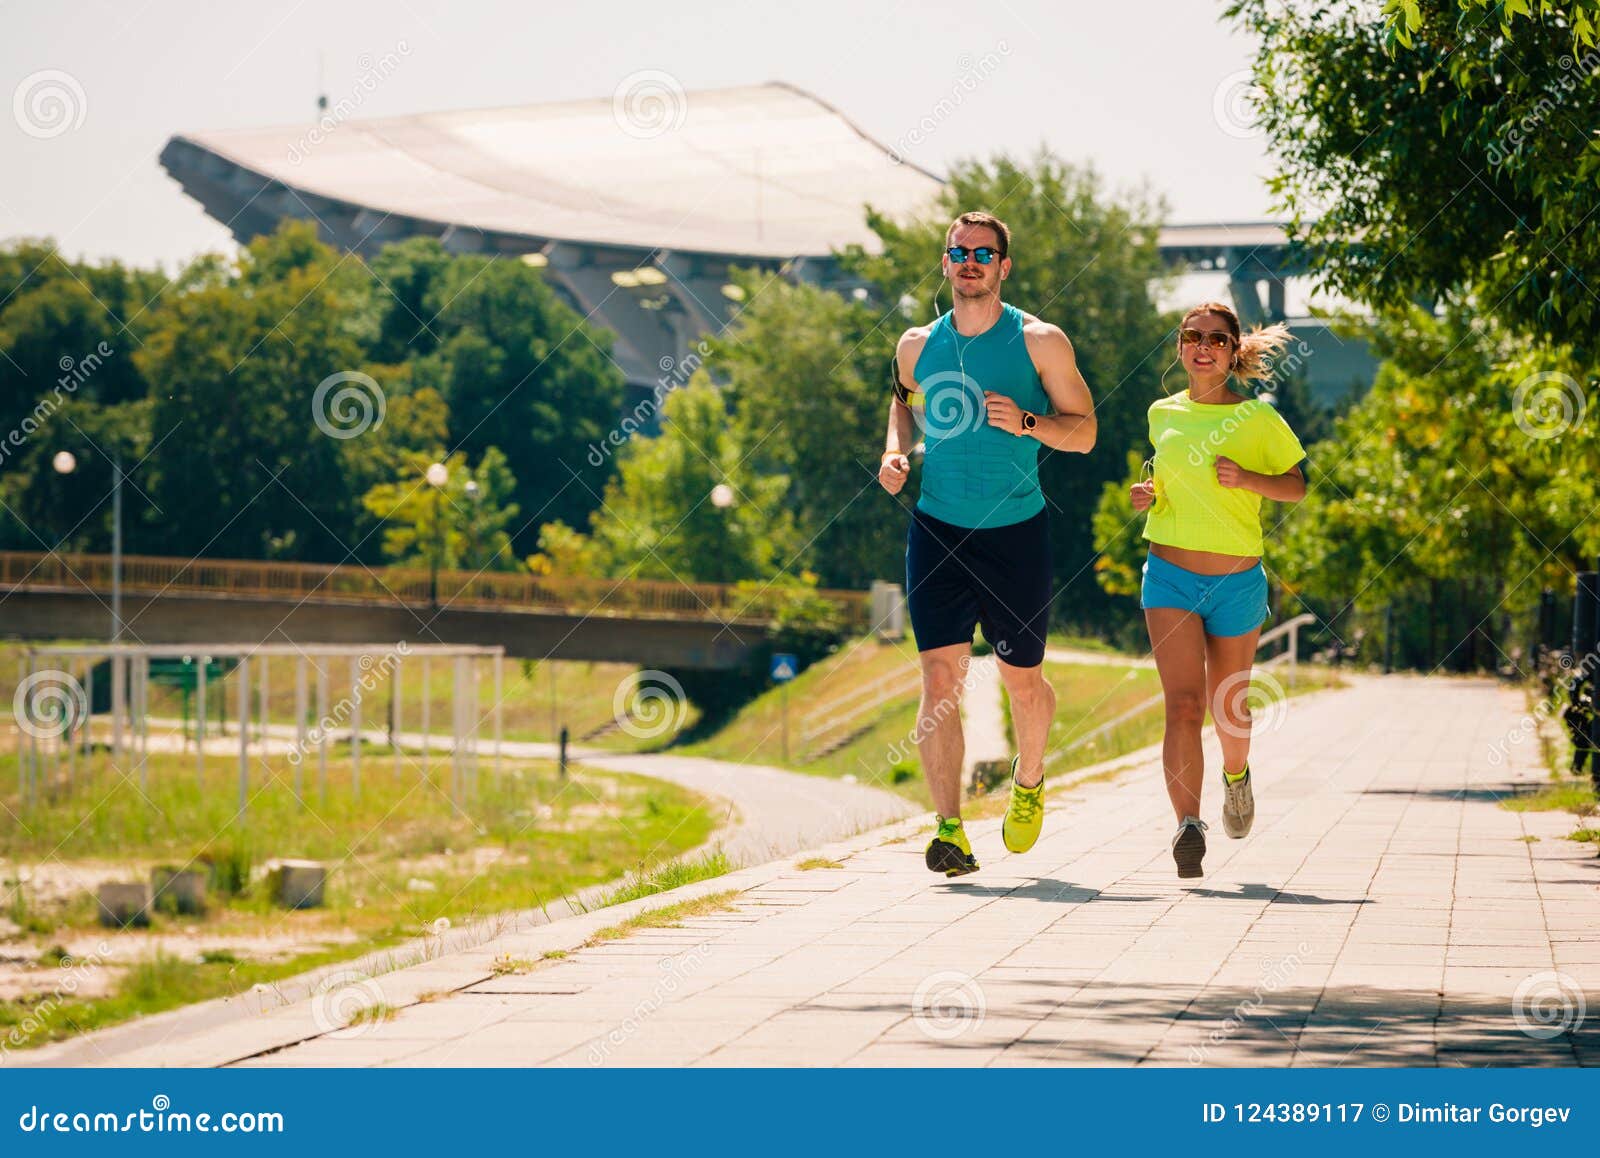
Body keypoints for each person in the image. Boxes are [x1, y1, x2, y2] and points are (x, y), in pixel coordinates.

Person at [878, 211, 1096, 877]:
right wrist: (896, 452)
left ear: (1004, 266)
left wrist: (1029, 421)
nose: (969, 261)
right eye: (958, 251)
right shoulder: (916, 345)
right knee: (941, 677)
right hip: (937, 528)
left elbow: (1084, 433)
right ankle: (949, 829)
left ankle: (1028, 781)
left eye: (984, 252)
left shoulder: (1040, 341)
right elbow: (901, 402)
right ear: (944, 263)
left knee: (1021, 682)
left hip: (1015, 534)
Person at [1129, 301, 1308, 878]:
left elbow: (1296, 487)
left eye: (1216, 339)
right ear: (1180, 347)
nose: (1202, 346)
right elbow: (1170, 477)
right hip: (1170, 575)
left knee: (1229, 707)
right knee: (1181, 705)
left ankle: (1237, 775)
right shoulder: (1162, 413)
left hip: (1235, 580)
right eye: (1191, 336)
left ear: (1234, 352)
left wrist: (1248, 478)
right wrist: (1149, 494)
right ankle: (1187, 824)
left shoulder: (1258, 419)